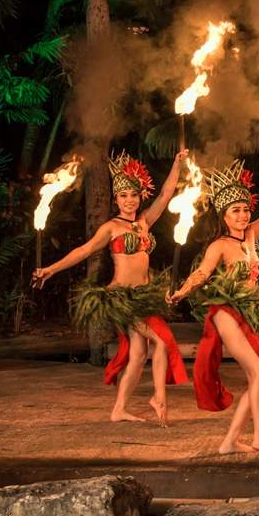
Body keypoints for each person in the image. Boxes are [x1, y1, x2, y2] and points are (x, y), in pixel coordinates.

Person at [33, 149, 188, 425]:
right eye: (123, 196)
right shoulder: (111, 227)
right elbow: (83, 251)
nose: (129, 201)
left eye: (134, 196)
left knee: (139, 355)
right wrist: (50, 269)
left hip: (143, 296)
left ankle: (119, 409)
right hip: (121, 297)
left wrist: (177, 163)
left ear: (141, 197)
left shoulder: (144, 222)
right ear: (116, 199)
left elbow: (166, 194)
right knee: (162, 342)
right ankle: (158, 397)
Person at [166, 155, 259, 461]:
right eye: (235, 211)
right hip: (226, 312)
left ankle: (231, 441)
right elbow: (202, 273)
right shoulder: (220, 246)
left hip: (249, 312)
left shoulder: (251, 235)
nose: (242, 215)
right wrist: (181, 292)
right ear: (223, 216)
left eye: (244, 209)